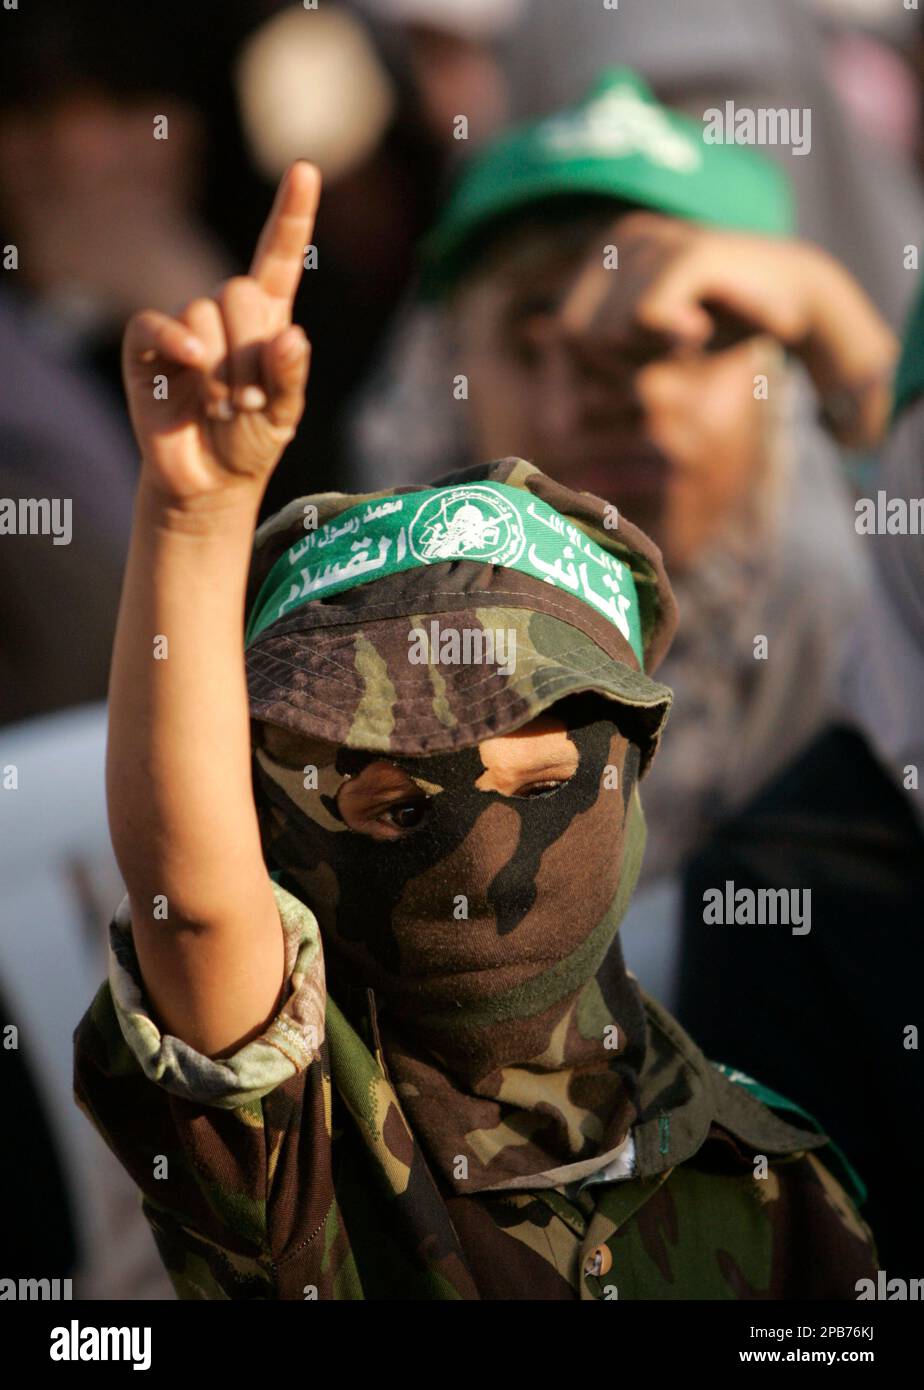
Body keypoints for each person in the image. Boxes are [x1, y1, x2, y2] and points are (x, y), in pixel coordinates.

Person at [72, 162, 877, 1300]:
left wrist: (840, 322)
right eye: (392, 805)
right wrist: (195, 516)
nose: (476, 843)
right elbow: (196, 904)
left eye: (543, 773)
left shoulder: (776, 1182)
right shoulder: (310, 1145)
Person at [349, 70, 895, 884]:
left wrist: (845, 334)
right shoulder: (350, 704)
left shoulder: (860, 655)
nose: (617, 399)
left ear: (778, 386)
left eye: (679, 338)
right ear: (449, 384)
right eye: (539, 341)